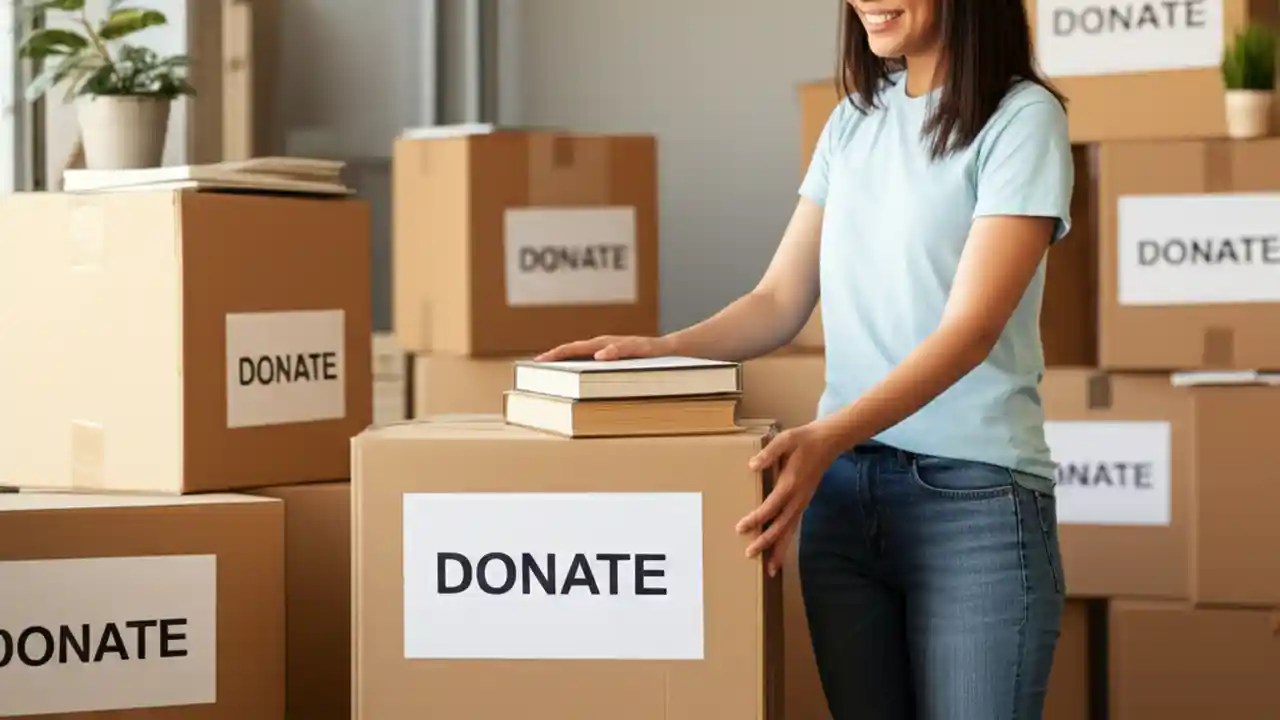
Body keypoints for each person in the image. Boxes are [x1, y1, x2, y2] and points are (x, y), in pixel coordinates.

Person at [537, 0, 1072, 716]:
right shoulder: (853, 119)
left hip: (973, 501)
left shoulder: (1021, 119)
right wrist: (664, 352)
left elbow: (970, 332)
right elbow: (780, 300)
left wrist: (825, 436)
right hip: (844, 499)